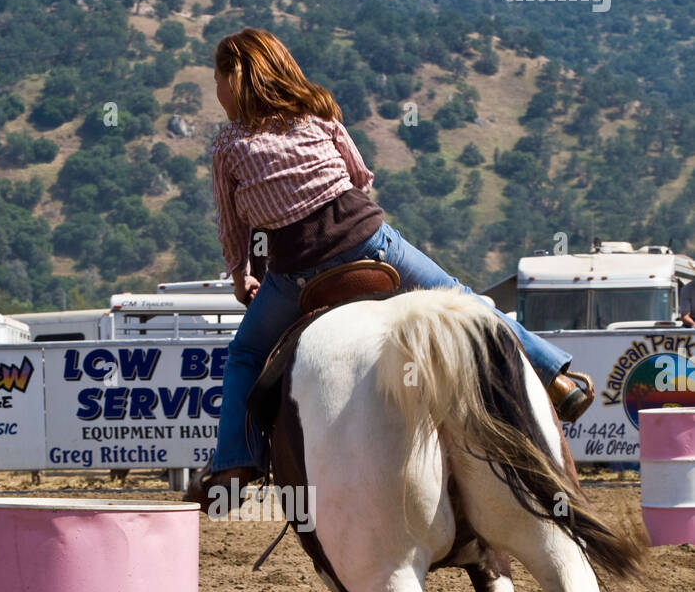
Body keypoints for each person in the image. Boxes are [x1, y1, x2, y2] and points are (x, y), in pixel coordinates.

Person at [188, 28, 594, 511]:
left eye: (216, 79)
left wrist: (243, 275)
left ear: (234, 76)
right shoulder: (318, 111)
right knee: (465, 301)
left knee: (246, 356)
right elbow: (359, 177)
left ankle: (235, 463)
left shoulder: (228, 145)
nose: (216, 93)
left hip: (297, 275)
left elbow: (235, 226)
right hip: (372, 246)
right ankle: (554, 379)